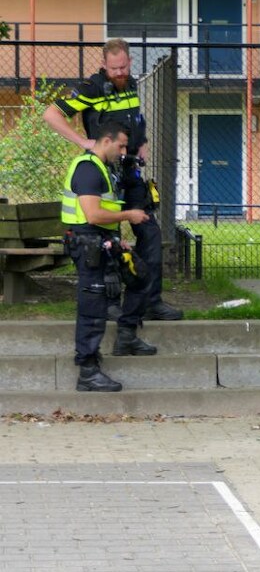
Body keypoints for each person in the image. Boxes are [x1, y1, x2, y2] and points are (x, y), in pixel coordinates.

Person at [43, 37, 183, 323]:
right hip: (106, 174)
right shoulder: (91, 88)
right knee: (108, 239)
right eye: (114, 68)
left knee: (150, 233)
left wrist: (141, 142)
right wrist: (83, 141)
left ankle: (150, 301)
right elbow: (51, 114)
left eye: (123, 67)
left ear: (130, 62)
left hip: (130, 171)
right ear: (104, 65)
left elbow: (134, 120)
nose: (119, 73)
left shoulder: (131, 85)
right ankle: (108, 303)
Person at [61, 121, 154, 392]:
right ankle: (88, 371)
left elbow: (100, 216)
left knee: (140, 277)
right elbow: (93, 214)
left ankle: (123, 338)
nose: (124, 151)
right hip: (87, 244)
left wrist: (115, 239)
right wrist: (129, 215)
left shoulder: (103, 168)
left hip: (99, 241)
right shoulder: (89, 169)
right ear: (105, 141)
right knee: (92, 307)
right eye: (121, 145)